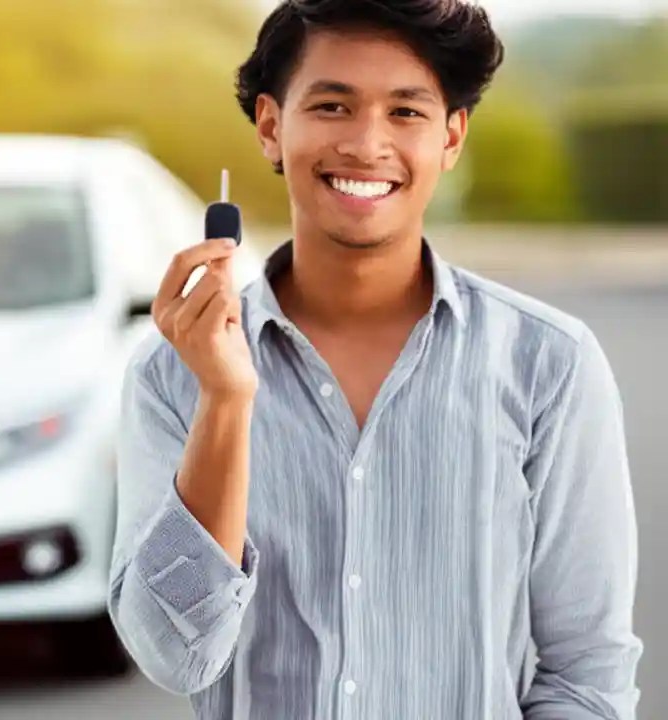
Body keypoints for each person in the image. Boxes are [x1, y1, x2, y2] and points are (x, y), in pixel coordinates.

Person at [107, 1, 643, 718]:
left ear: (452, 137)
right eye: (332, 105)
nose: (366, 144)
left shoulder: (550, 366)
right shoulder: (169, 375)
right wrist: (226, 402)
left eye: (405, 113)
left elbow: (588, 670)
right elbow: (175, 658)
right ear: (271, 126)